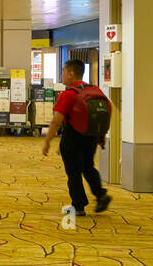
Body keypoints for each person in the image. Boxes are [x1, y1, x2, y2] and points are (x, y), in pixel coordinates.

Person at [42, 59, 113, 216]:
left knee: (73, 172)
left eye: (63, 71)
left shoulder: (68, 94)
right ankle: (101, 194)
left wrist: (47, 142)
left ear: (71, 73)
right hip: (91, 136)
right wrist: (101, 135)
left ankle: (78, 206)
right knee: (88, 167)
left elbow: (56, 121)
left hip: (73, 136)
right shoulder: (95, 90)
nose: (62, 75)